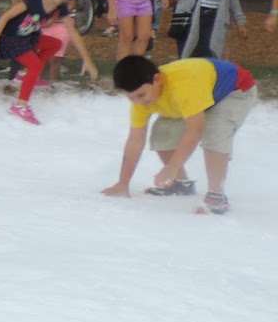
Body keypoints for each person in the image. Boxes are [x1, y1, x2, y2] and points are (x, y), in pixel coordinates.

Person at [103, 54, 257, 215]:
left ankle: (216, 195)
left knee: (214, 133)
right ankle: (181, 184)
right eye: (131, 98)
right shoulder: (142, 100)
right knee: (162, 133)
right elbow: (135, 139)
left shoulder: (183, 86)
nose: (138, 102)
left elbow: (195, 130)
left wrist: (172, 166)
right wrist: (123, 183)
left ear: (157, 79)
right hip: (200, 94)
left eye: (141, 95)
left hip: (234, 91)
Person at [0, 0, 98, 124]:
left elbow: (73, 32)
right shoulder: (33, 1)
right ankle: (20, 105)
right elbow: (6, 17)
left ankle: (24, 75)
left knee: (55, 44)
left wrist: (87, 59)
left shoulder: (61, 7)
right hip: (11, 38)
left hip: (29, 37)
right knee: (36, 66)